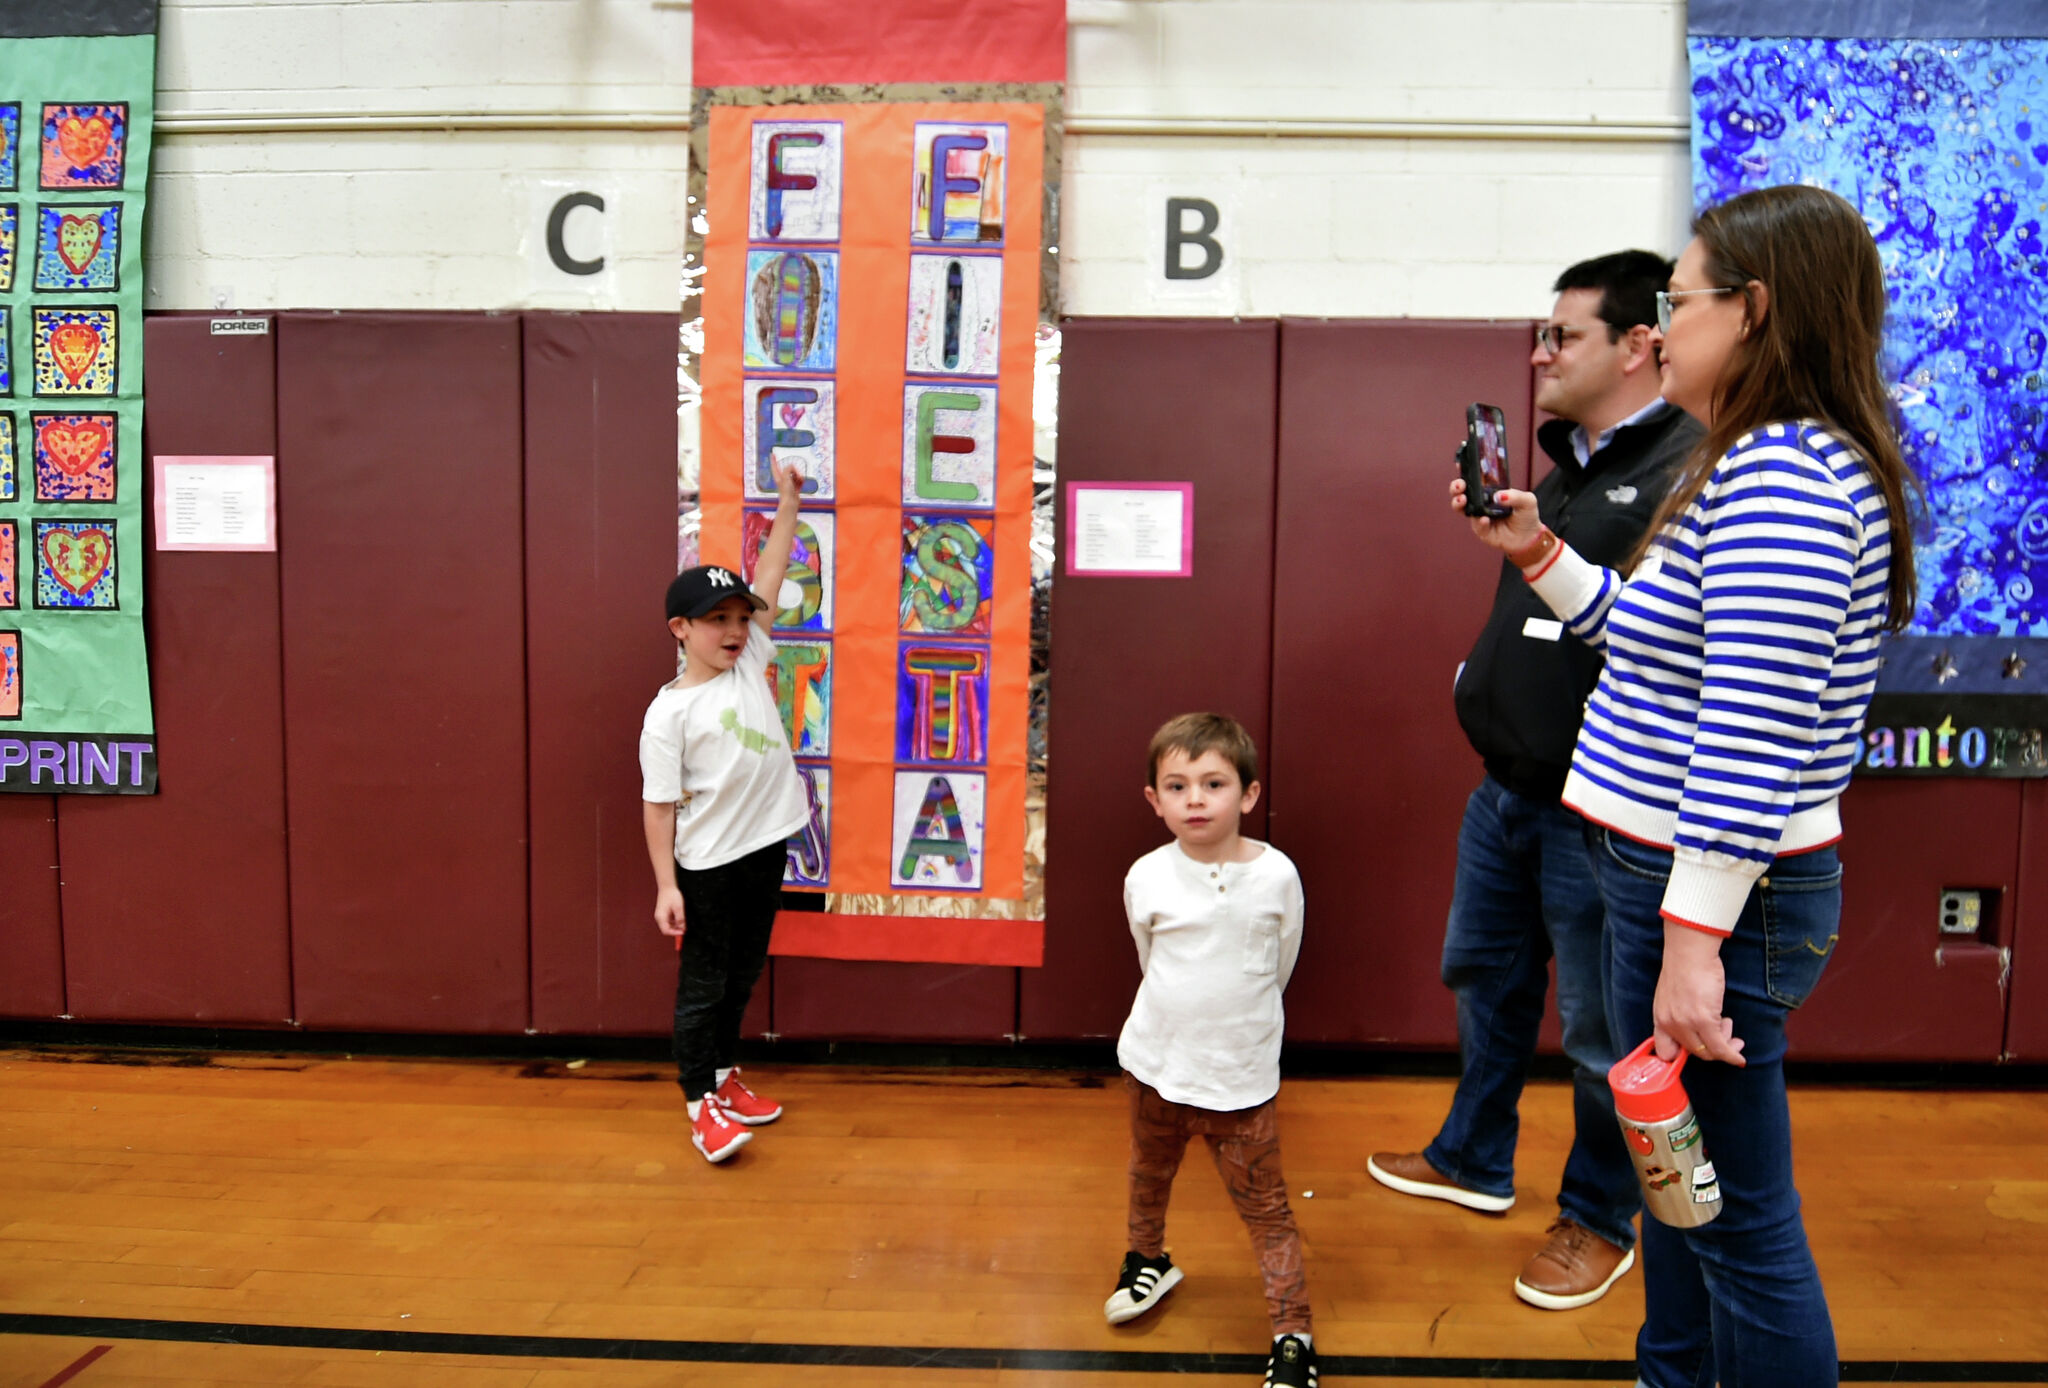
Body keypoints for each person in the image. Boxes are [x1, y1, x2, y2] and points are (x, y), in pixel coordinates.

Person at [1452, 185, 1917, 1387]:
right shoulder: (1743, 464)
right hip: (1667, 880)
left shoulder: (1784, 484)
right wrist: (1536, 551)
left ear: (1751, 310)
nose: (1659, 328)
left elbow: (1748, 732)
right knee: (1679, 1192)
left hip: (1709, 898)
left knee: (1736, 1224)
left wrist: (1692, 942)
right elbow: (1657, 646)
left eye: (1678, 300)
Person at [1371, 251, 1702, 1310]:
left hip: (1599, 813)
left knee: (1605, 1035)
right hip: (1507, 793)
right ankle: (1473, 1155)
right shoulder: (1567, 467)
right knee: (1485, 978)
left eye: (1563, 335)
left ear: (1638, 344)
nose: (1540, 353)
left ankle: (1599, 1219)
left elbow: (1655, 642)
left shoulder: (1691, 472)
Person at [1103, 713, 1317, 1388]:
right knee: (1148, 1174)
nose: (1195, 799)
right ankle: (1147, 1260)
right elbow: (1151, 960)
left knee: (1267, 1210)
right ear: (1155, 800)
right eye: (1177, 786)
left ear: (1248, 794)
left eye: (1214, 783)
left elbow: (1279, 966)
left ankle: (1292, 1333)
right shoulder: (1146, 876)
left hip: (1240, 1084)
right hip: (1156, 1069)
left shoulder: (1277, 876)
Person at [640, 458, 810, 1165]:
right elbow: (657, 807)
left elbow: (770, 570)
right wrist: (667, 886)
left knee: (743, 974)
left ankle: (721, 1074)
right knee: (705, 985)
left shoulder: (747, 661)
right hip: (708, 867)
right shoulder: (668, 716)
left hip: (765, 848)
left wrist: (788, 504)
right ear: (681, 629)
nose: (736, 629)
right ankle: (697, 1102)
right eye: (718, 621)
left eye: (741, 618)